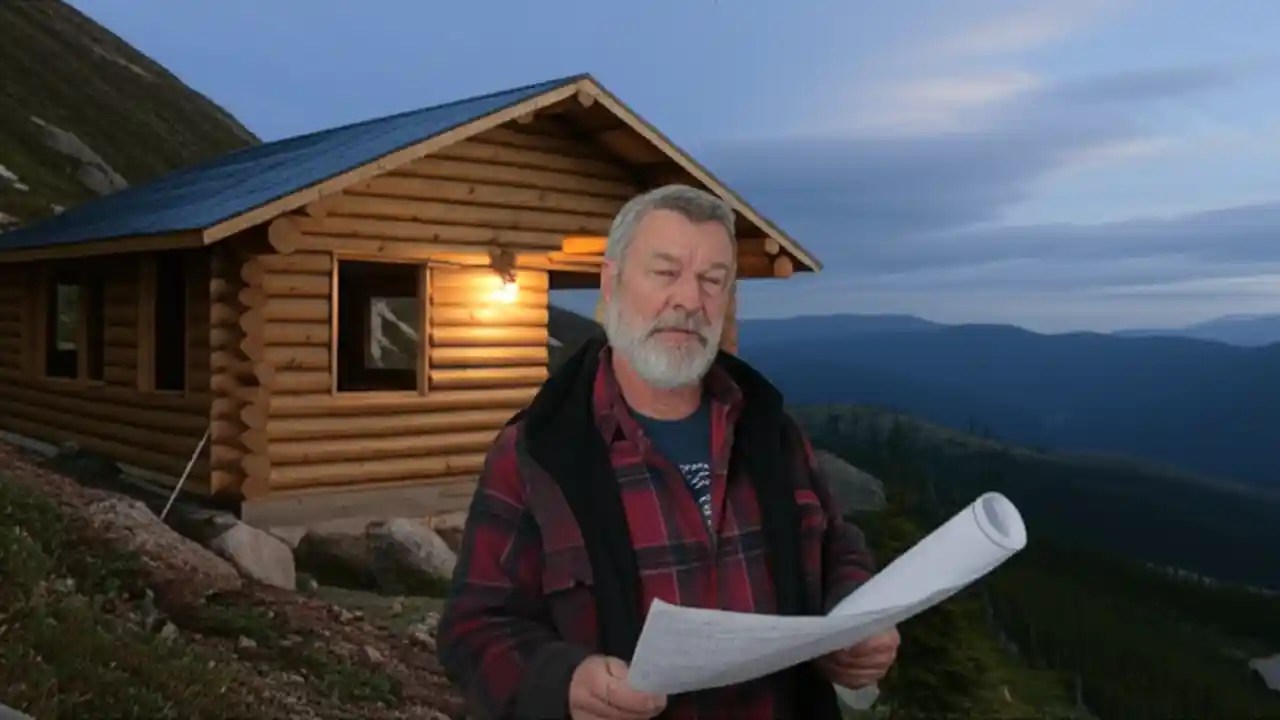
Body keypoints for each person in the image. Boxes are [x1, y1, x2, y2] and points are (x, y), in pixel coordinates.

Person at [437, 184, 900, 719]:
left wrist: (854, 618)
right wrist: (565, 681)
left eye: (712, 280)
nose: (689, 299)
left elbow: (838, 548)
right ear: (611, 284)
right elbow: (473, 628)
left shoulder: (770, 430)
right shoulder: (537, 453)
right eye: (665, 272)